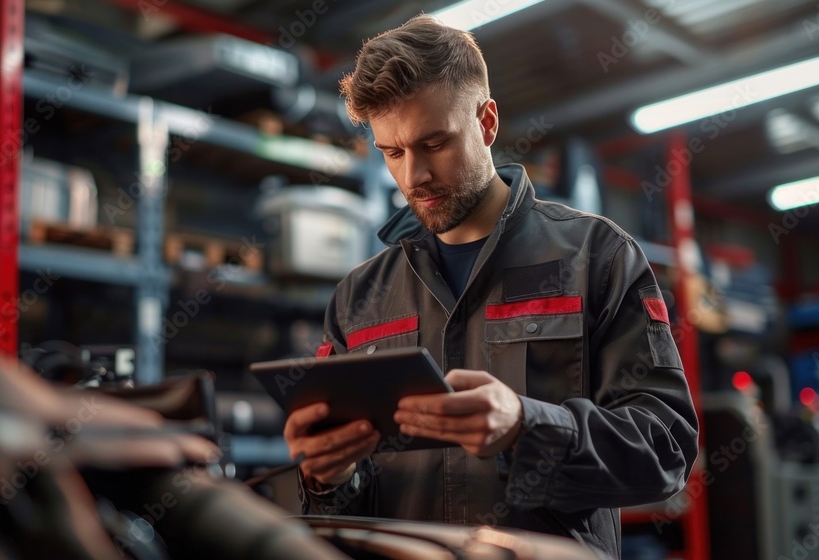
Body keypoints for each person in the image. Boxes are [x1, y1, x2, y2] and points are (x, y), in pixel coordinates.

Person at [282, 14, 699, 557]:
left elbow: (665, 448)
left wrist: (529, 427)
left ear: (486, 122)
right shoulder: (359, 299)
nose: (414, 177)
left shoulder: (599, 258)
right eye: (392, 153)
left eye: (434, 143)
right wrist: (326, 479)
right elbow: (345, 511)